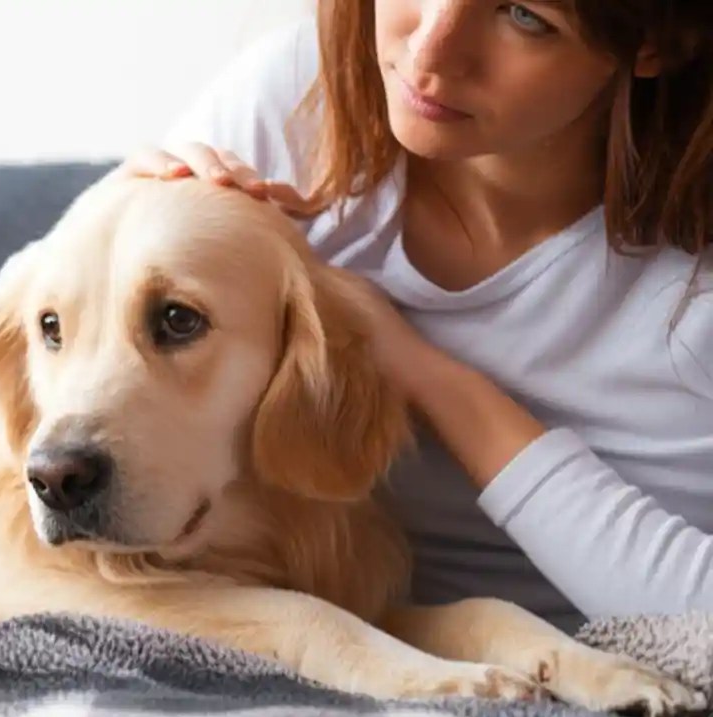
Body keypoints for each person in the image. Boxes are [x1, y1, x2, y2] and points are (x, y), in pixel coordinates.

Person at [122, 0, 713, 633]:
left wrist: (422, 373)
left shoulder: (692, 295)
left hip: (578, 667)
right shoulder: (299, 96)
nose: (429, 53)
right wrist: (128, 248)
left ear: (658, 42)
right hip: (304, 638)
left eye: (524, 16)